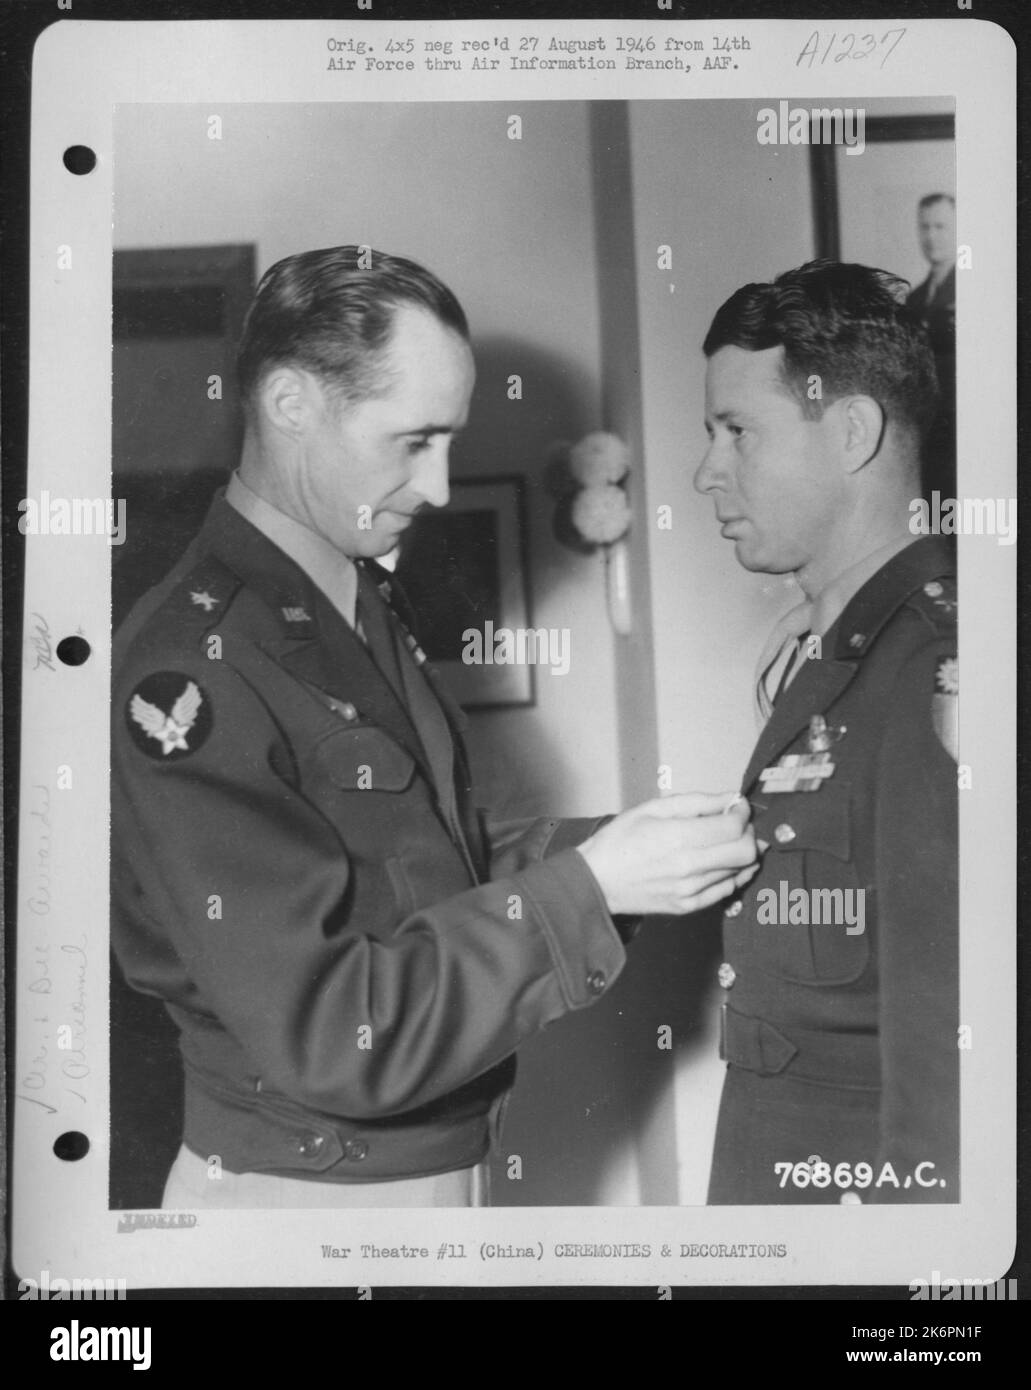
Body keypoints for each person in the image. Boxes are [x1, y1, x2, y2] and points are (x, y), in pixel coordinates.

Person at [111, 245, 757, 1210]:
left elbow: (414, 866)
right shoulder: (191, 668)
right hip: (303, 1202)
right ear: (290, 403)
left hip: (418, 1175)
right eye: (413, 441)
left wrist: (625, 854)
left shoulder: (345, 596)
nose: (444, 486)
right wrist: (587, 887)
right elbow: (333, 1032)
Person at [694, 260, 958, 1205]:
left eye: (737, 433)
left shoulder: (933, 668)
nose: (705, 472)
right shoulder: (838, 654)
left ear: (850, 432)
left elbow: (950, 1056)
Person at [907, 193, 956, 499]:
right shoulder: (915, 299)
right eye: (924, 227)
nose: (931, 236)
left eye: (940, 226)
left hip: (965, 432)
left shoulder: (978, 287)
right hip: (930, 434)